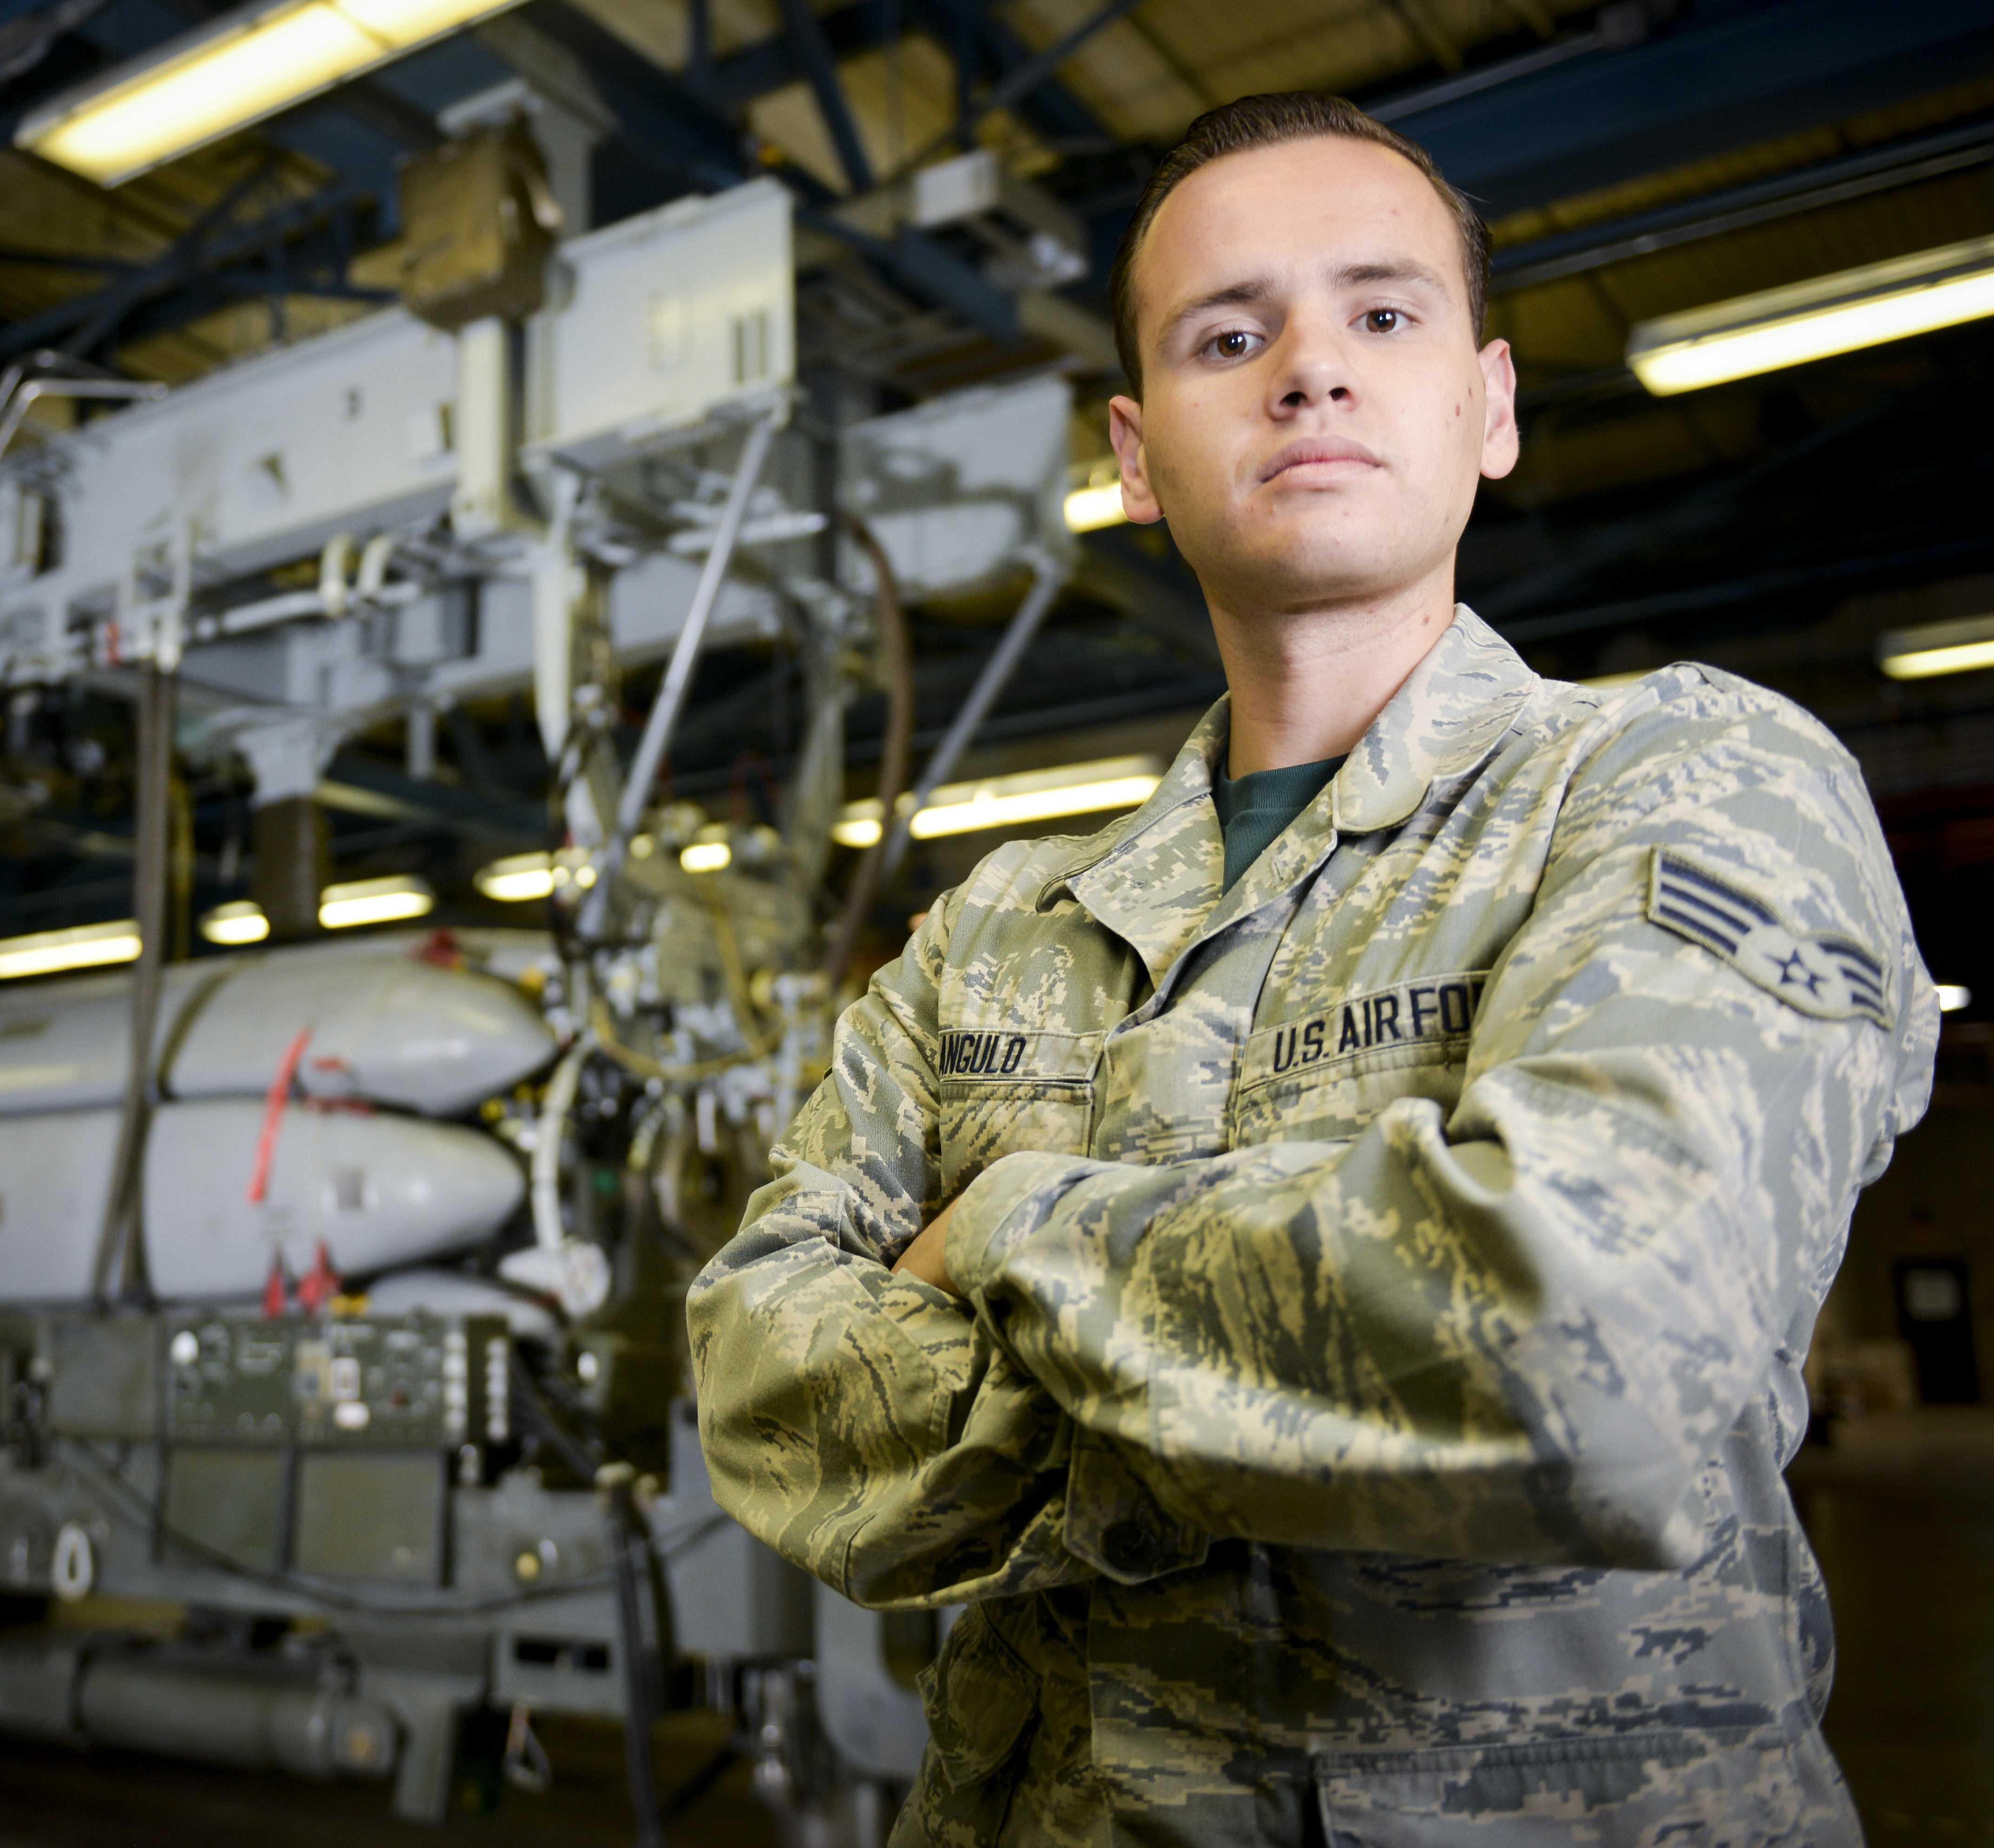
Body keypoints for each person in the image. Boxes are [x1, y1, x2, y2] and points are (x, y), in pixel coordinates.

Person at [687, 92, 1934, 1846]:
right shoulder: (993, 933)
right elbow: (759, 1379)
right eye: (1227, 332)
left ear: (1486, 405)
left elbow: (1596, 1356)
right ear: (1133, 452)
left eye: (1381, 311)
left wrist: (1021, 1231)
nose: (1307, 370)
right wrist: (1332, 1356)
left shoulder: (1686, 783)